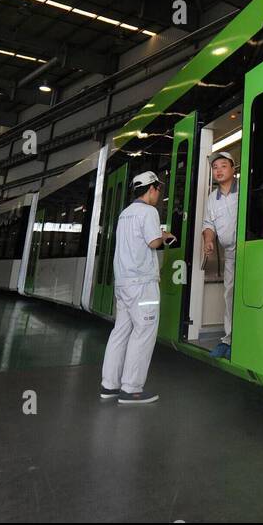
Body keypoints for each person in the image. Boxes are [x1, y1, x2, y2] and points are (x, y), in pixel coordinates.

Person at [100, 171, 174, 404]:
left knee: (120, 333)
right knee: (143, 334)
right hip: (142, 284)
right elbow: (152, 242)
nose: (158, 195)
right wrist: (164, 236)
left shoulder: (125, 214)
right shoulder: (149, 211)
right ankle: (131, 389)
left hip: (123, 283)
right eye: (158, 190)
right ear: (151, 189)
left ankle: (109, 385)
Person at [201, 150, 239, 358]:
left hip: (252, 251)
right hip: (231, 254)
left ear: (233, 168)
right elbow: (209, 224)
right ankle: (229, 340)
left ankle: (247, 337)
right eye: (215, 167)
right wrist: (208, 239)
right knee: (230, 295)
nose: (218, 171)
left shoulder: (243, 190)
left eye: (223, 166)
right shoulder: (211, 198)